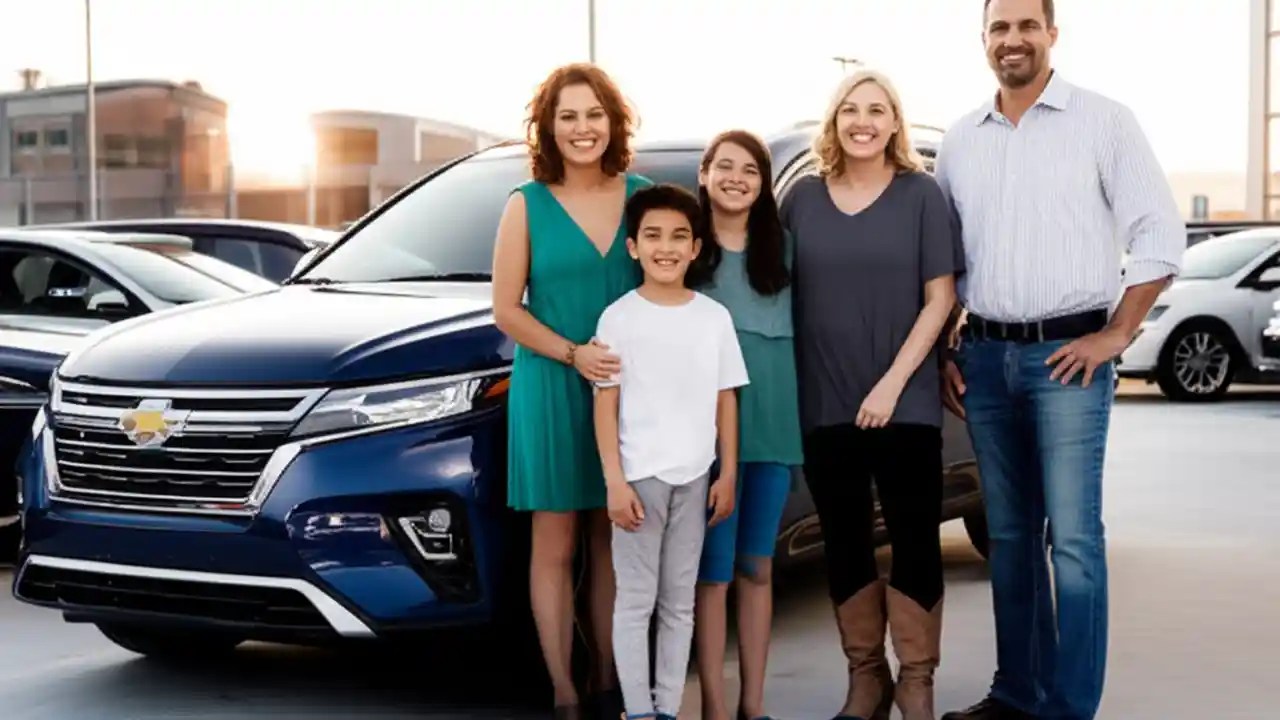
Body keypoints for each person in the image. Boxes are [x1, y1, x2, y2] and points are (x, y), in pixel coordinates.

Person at [933, 2, 1185, 719]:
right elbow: (945, 263)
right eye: (999, 28)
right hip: (982, 360)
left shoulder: (1104, 121)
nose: (1013, 39)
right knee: (1009, 540)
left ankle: (1070, 707)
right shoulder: (959, 141)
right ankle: (1017, 693)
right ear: (983, 40)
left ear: (1051, 34)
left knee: (1073, 542)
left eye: (1026, 25)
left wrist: (1117, 334)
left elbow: (1160, 234)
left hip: (1067, 360)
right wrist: (949, 345)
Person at [780, 68, 962, 720]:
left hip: (904, 401)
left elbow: (940, 297)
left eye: (877, 110)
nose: (863, 120)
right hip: (825, 400)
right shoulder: (800, 199)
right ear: (834, 121)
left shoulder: (920, 195)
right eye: (851, 109)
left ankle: (917, 679)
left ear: (894, 123)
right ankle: (867, 678)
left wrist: (891, 384)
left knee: (914, 538)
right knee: (845, 539)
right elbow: (771, 287)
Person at [491, 62, 653, 720]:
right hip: (553, 385)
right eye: (568, 117)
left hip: (627, 389)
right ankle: (563, 691)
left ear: (613, 122)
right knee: (554, 543)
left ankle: (610, 680)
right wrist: (572, 354)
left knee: (612, 538)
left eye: (593, 115)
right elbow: (506, 309)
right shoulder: (524, 203)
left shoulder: (642, 195)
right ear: (548, 128)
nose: (582, 128)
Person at [593, 183, 749, 720]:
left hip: (696, 476)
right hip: (638, 480)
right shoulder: (618, 318)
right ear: (633, 247)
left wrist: (726, 472)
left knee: (679, 600)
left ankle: (666, 706)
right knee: (636, 600)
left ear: (697, 247)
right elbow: (605, 405)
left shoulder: (713, 318)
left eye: (679, 236)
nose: (666, 247)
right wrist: (614, 480)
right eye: (653, 236)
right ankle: (638, 710)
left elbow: (725, 398)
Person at [685, 130, 804, 720]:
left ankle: (752, 706)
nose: (736, 178)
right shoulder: (684, 251)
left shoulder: (783, 251)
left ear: (763, 184)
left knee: (757, 565)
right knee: (713, 574)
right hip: (700, 435)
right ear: (704, 175)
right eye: (724, 166)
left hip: (773, 426)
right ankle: (712, 705)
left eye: (750, 170)